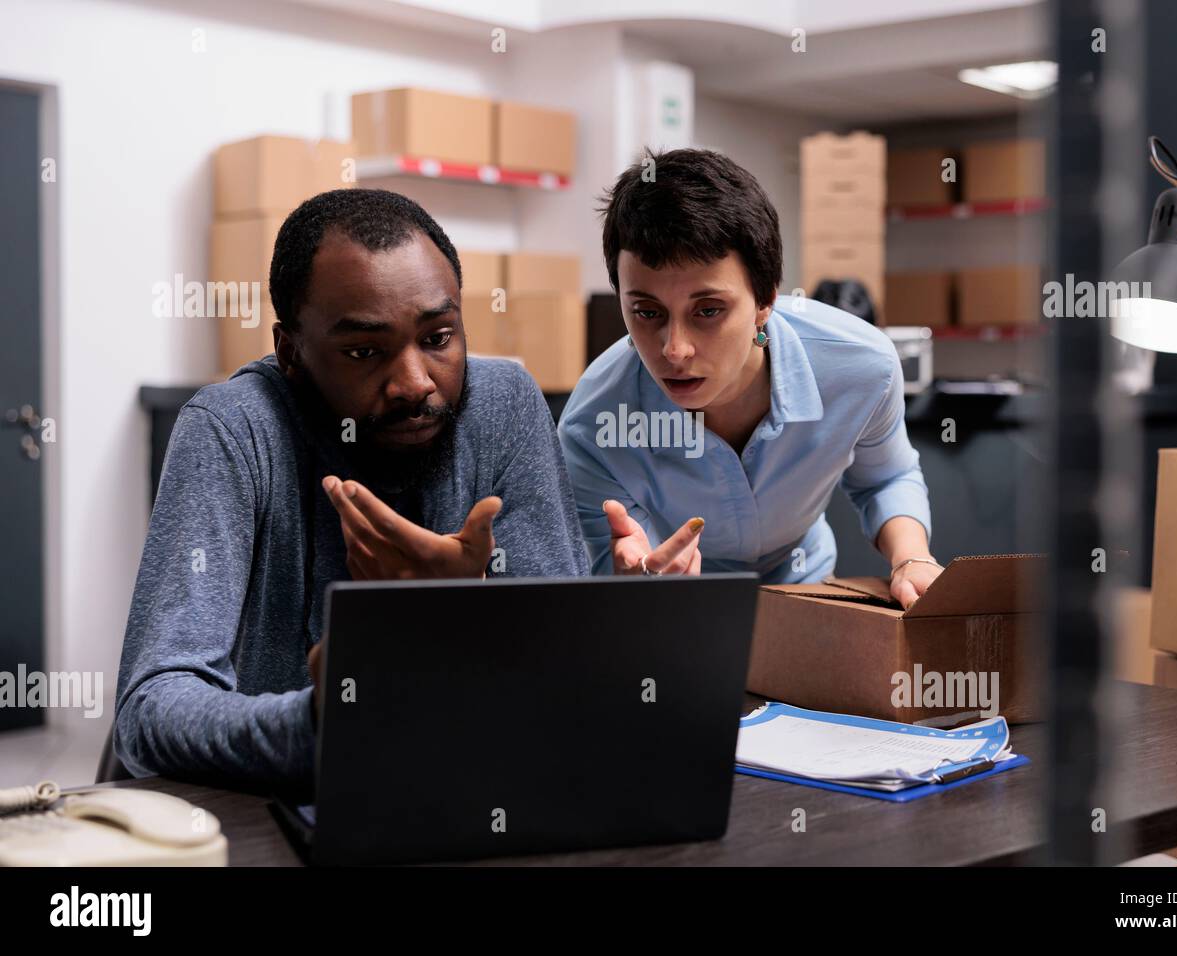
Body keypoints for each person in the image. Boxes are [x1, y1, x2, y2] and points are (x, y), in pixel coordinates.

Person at [115, 189, 589, 795]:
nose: (416, 384)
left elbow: (564, 672)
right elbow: (150, 707)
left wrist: (465, 612)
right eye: (364, 352)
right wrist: (320, 720)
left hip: (471, 791)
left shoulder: (505, 406)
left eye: (439, 337)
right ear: (291, 351)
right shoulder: (232, 429)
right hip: (282, 808)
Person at [558, 149, 940, 607]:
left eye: (708, 310)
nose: (674, 349)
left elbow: (886, 477)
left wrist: (912, 559)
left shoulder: (862, 367)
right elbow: (610, 558)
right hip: (680, 607)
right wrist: (629, 575)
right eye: (646, 312)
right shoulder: (592, 425)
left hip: (806, 587)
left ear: (765, 300)